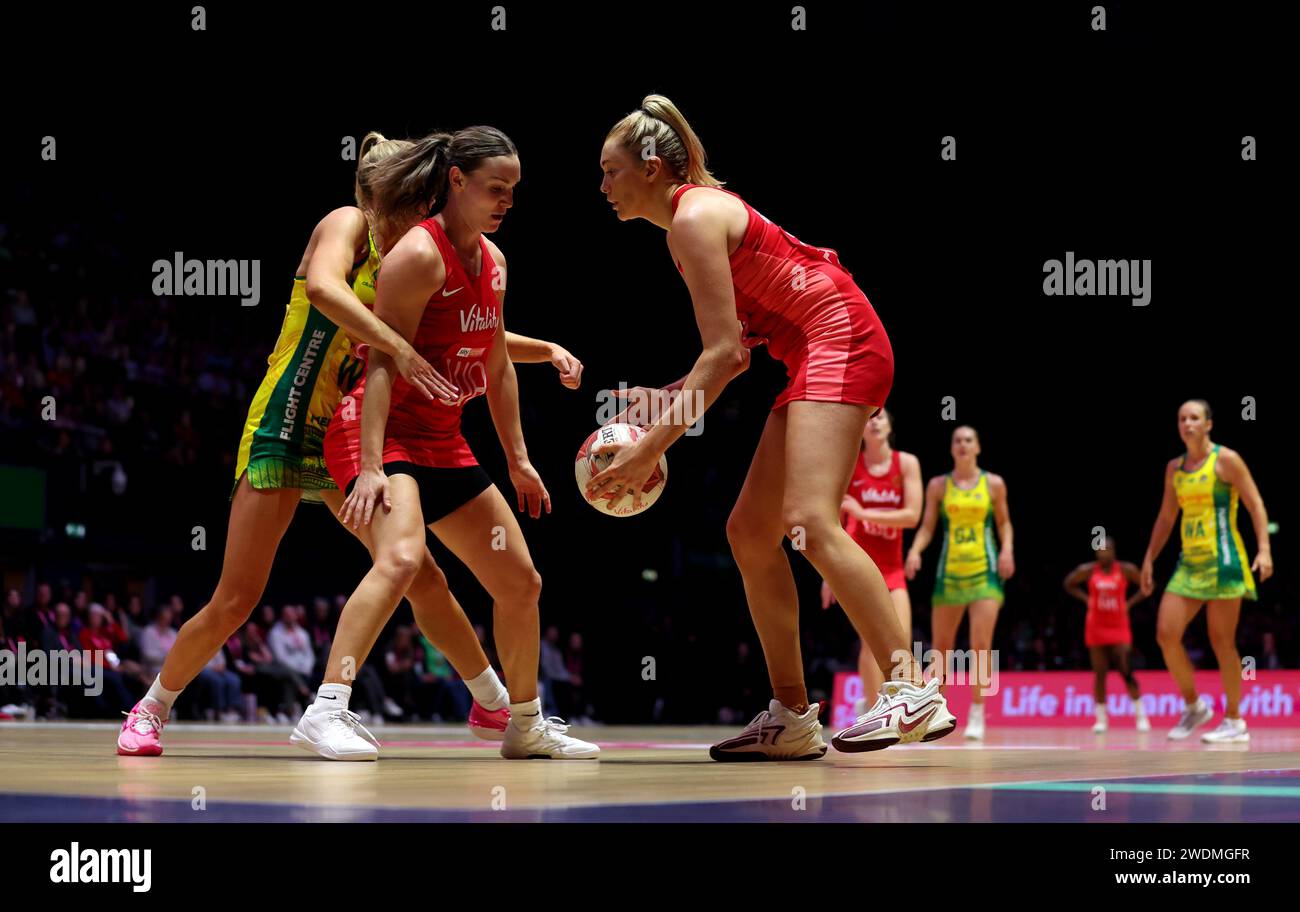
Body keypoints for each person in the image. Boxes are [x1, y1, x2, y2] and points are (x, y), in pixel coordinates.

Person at [117, 133, 584, 756]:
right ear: (378, 193)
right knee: (237, 596)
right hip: (286, 423)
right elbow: (325, 292)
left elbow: (475, 336)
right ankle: (151, 708)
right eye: (408, 196)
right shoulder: (346, 225)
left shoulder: (408, 252)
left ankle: (495, 704)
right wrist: (399, 348)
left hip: (349, 423)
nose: (416, 208)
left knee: (419, 572)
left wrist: (541, 349)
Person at [587, 95, 954, 759]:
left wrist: (649, 449)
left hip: (841, 338)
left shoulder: (691, 220)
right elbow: (735, 349)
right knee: (750, 532)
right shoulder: (689, 225)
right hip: (812, 348)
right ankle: (791, 715)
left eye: (609, 172)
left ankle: (913, 689)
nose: (602, 187)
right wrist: (663, 398)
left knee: (809, 522)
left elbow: (724, 358)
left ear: (649, 168)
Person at [296, 126, 599, 760]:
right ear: (455, 182)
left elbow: (495, 366)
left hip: (443, 441)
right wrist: (373, 467)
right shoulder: (417, 254)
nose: (507, 201)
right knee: (402, 559)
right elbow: (383, 357)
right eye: (496, 188)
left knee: (521, 582)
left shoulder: (495, 262)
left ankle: (524, 723)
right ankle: (326, 709)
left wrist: (518, 459)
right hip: (377, 433)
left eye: (514, 191)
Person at [1140, 399, 1272, 743]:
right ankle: (1194, 705)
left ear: (1209, 424)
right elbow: (1167, 517)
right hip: (1189, 564)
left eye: (1194, 417)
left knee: (1221, 641)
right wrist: (1150, 558)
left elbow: (1255, 502)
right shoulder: (1174, 468)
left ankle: (1234, 719)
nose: (1187, 423)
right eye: (1182, 418)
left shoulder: (1225, 460)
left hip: (1225, 562)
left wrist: (1264, 548)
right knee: (1166, 634)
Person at [905, 425, 1014, 740]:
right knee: (942, 649)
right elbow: (926, 527)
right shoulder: (939, 485)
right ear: (951, 448)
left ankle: (978, 712)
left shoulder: (993, 484)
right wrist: (914, 549)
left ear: (978, 447)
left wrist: (1007, 550)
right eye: (957, 440)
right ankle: (937, 712)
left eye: (969, 440)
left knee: (980, 646)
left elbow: (1005, 524)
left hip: (985, 573)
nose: (963, 445)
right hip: (949, 574)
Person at [820, 408, 922, 716]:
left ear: (891, 425)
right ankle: (875, 709)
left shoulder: (906, 464)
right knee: (869, 642)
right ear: (861, 428)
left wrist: (864, 513)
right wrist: (829, 574)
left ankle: (896, 705)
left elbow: (911, 516)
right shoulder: (850, 464)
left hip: (892, 571)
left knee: (901, 642)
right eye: (869, 418)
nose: (875, 421)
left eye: (881, 417)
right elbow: (834, 525)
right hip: (858, 568)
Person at [1062, 537, 1149, 732]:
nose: (1103, 553)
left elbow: (1146, 585)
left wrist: (1130, 603)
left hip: (1119, 626)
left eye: (1107, 549)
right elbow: (1068, 583)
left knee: (1125, 669)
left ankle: (1140, 715)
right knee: (1099, 673)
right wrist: (1086, 599)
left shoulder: (1125, 569)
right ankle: (1101, 719)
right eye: (1100, 550)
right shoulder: (1088, 570)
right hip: (1096, 626)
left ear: (1114, 550)